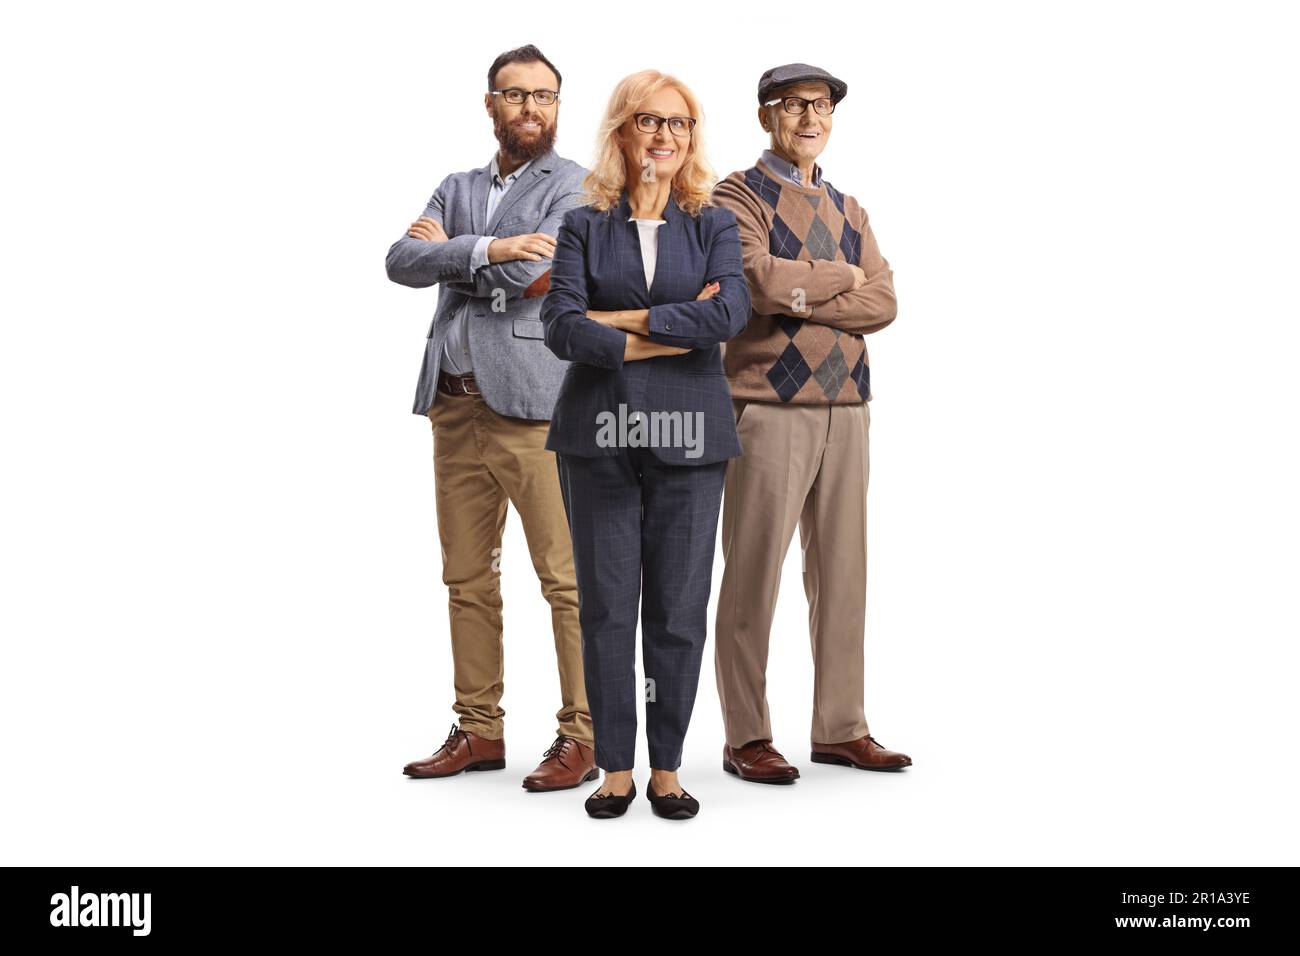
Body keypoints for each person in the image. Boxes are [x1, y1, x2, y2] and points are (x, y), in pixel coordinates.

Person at [385, 45, 598, 792]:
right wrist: (489, 247)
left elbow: (536, 273)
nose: (531, 109)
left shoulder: (575, 185)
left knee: (565, 581)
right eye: (516, 95)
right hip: (453, 400)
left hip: (534, 406)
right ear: (491, 104)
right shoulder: (458, 184)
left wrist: (458, 255)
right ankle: (478, 728)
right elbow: (399, 261)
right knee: (466, 578)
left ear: (558, 107)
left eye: (544, 96)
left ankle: (583, 733)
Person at [541, 70, 750, 819]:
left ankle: (666, 766)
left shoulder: (713, 221)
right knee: (606, 608)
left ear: (691, 138)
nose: (665, 136)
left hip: (691, 439)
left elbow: (728, 316)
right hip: (597, 437)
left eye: (680, 123)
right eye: (648, 121)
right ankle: (615, 767)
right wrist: (666, 330)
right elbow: (562, 325)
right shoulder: (583, 223)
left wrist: (621, 323)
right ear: (622, 132)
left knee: (677, 611)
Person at [709, 63, 913, 783]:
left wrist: (805, 292)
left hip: (847, 406)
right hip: (766, 404)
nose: (808, 117)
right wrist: (839, 280)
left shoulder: (851, 208)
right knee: (753, 574)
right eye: (793, 105)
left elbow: (884, 302)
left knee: (843, 575)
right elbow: (758, 282)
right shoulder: (738, 194)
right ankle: (746, 735)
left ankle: (840, 728)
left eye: (820, 106)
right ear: (767, 116)